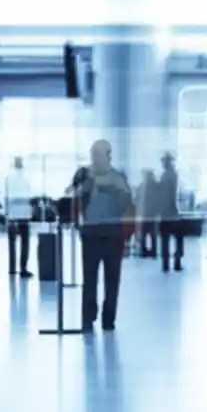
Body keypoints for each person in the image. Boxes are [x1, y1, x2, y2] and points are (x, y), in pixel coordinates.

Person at [70, 140, 132, 332]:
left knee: (112, 280)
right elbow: (73, 200)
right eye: (93, 153)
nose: (95, 157)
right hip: (91, 235)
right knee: (89, 280)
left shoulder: (118, 179)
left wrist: (127, 236)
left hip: (113, 236)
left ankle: (108, 319)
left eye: (99, 153)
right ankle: (87, 319)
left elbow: (128, 208)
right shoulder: (83, 176)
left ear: (108, 155)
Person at [3, 156, 34, 277]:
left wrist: (6, 213)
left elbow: (6, 195)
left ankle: (12, 268)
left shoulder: (8, 177)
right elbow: (30, 194)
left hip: (12, 214)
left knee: (12, 243)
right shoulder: (26, 177)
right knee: (25, 242)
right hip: (24, 214)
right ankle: (23, 268)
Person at [157, 153, 183, 272]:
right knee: (176, 239)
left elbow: (166, 195)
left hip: (167, 211)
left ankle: (166, 263)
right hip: (172, 211)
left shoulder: (166, 175)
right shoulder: (172, 174)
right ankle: (176, 262)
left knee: (166, 240)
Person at [135, 169, 159, 258]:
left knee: (146, 234)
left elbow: (137, 200)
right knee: (150, 234)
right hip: (148, 214)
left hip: (146, 214)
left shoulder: (142, 186)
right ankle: (151, 251)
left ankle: (144, 252)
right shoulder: (154, 186)